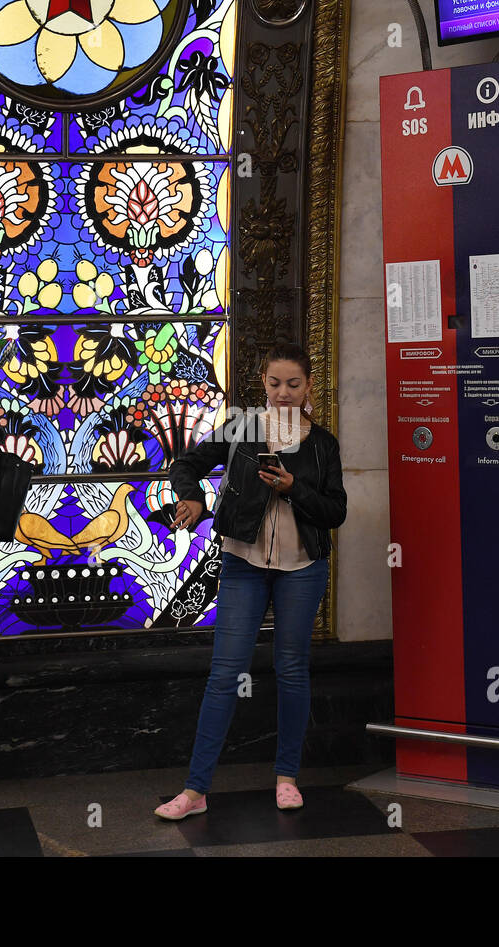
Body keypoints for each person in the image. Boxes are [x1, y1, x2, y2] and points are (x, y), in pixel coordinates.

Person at [156, 341, 347, 819]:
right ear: (263, 383)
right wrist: (193, 498)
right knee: (224, 675)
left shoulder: (322, 445)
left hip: (302, 569)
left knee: (291, 670)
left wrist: (293, 487)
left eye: (294, 384)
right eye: (275, 383)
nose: (283, 393)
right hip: (243, 564)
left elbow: (335, 512)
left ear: (308, 388)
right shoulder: (242, 428)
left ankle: (287, 779)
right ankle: (195, 792)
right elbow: (187, 464)